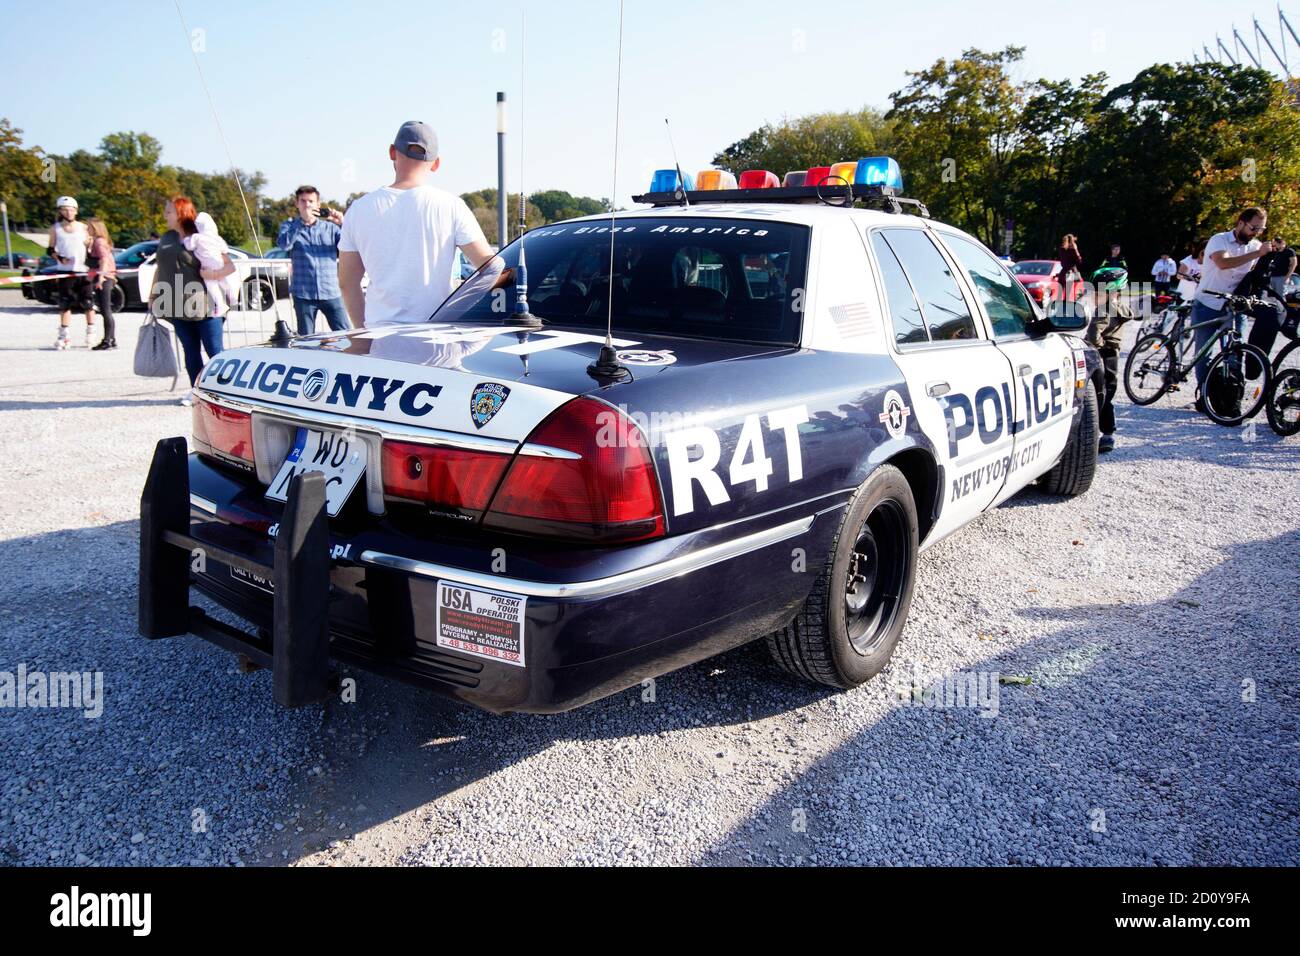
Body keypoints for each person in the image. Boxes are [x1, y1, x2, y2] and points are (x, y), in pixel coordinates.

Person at [338, 120, 495, 328]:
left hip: (379, 334)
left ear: (392, 152)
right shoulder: (452, 206)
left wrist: (361, 331)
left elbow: (347, 283)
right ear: (436, 163)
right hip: (438, 335)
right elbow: (491, 268)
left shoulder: (358, 210)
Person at [1190, 207, 1281, 407]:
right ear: (1240, 222)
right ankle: (1205, 397)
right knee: (1204, 355)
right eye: (1254, 228)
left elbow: (1258, 276)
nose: (1256, 233)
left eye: (1261, 229)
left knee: (1235, 352)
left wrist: (1271, 255)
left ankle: (1231, 399)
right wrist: (1257, 253)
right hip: (1208, 303)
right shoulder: (1219, 240)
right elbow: (1223, 263)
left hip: (1235, 306)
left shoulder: (1256, 246)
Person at [150, 196, 218, 406]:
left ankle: (222, 392)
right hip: (175, 303)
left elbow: (222, 262)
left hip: (202, 301)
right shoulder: (167, 238)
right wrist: (153, 294)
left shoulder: (200, 236)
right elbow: (160, 267)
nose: (165, 215)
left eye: (169, 211)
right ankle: (196, 391)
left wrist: (216, 278)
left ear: (181, 213)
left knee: (214, 350)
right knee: (190, 350)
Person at [276, 185, 349, 335]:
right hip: (304, 293)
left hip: (330, 291)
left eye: (311, 201)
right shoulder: (289, 226)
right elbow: (284, 245)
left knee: (345, 335)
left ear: (318, 204)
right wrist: (300, 223)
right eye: (303, 201)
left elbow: (349, 248)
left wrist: (343, 223)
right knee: (306, 338)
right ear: (297, 204)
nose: (307, 205)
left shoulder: (331, 228)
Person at [47, 196, 93, 350]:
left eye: (71, 209)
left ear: (76, 211)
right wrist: (59, 257)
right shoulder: (56, 228)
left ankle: (90, 333)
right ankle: (64, 336)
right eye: (65, 209)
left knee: (87, 303)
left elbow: (91, 248)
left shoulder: (83, 227)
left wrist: (90, 244)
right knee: (65, 304)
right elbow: (50, 249)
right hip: (65, 271)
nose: (69, 212)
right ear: (60, 211)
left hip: (83, 270)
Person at [183, 212, 240, 316]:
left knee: (211, 285)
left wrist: (186, 239)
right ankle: (233, 298)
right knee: (224, 281)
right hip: (219, 262)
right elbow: (225, 249)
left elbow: (189, 246)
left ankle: (220, 305)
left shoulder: (197, 237)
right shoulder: (216, 238)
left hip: (207, 265)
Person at [85, 217, 118, 350]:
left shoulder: (99, 242)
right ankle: (112, 338)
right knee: (105, 310)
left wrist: (101, 277)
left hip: (104, 277)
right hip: (103, 276)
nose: (87, 230)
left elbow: (104, 260)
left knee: (105, 310)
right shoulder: (97, 242)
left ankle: (107, 340)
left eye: (89, 227)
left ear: (95, 228)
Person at [1055, 234, 1083, 304]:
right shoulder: (1073, 250)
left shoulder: (1061, 250)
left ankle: (1060, 309)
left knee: (1060, 293)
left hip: (1063, 273)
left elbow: (1062, 263)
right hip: (1071, 272)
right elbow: (1079, 261)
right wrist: (1075, 249)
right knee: (1071, 294)